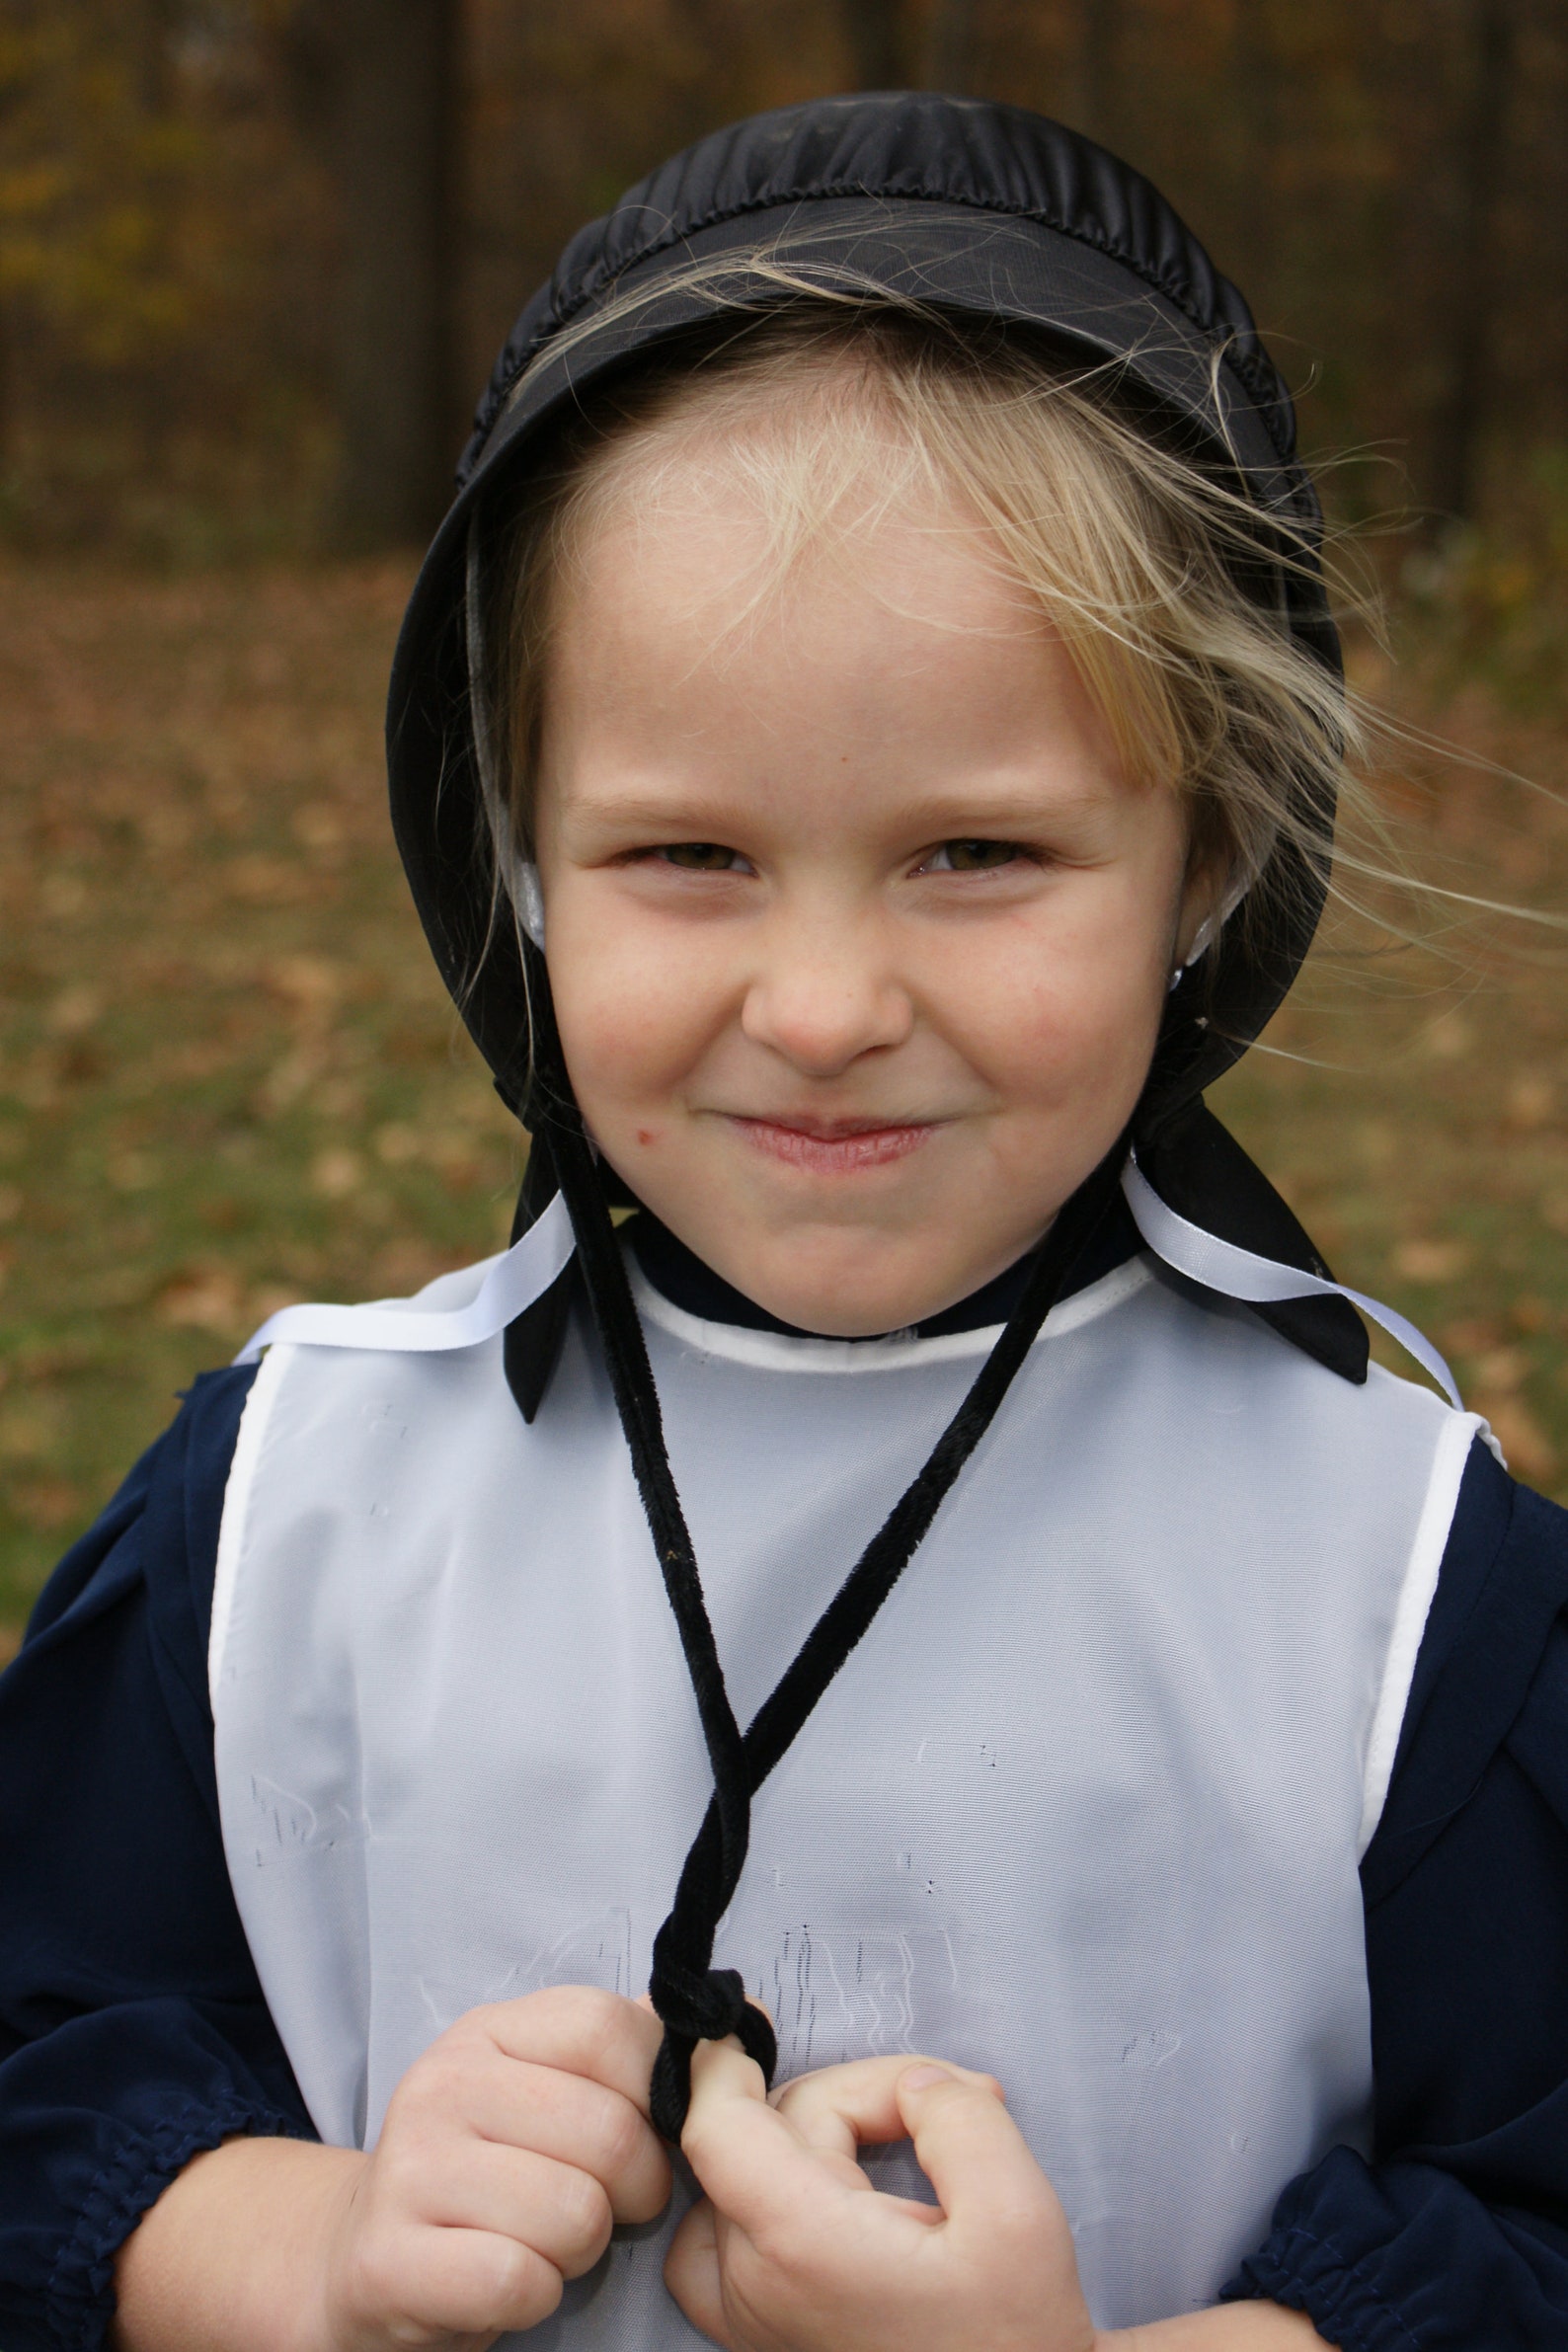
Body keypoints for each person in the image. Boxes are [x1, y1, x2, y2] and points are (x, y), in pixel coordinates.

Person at [2, 91, 1566, 2352]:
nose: (822, 1009)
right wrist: (300, 2249)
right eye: (687, 858)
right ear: (519, 864)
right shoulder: (282, 1526)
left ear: (1206, 859)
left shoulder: (1394, 1589)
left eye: (975, 856)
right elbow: (50, 2061)